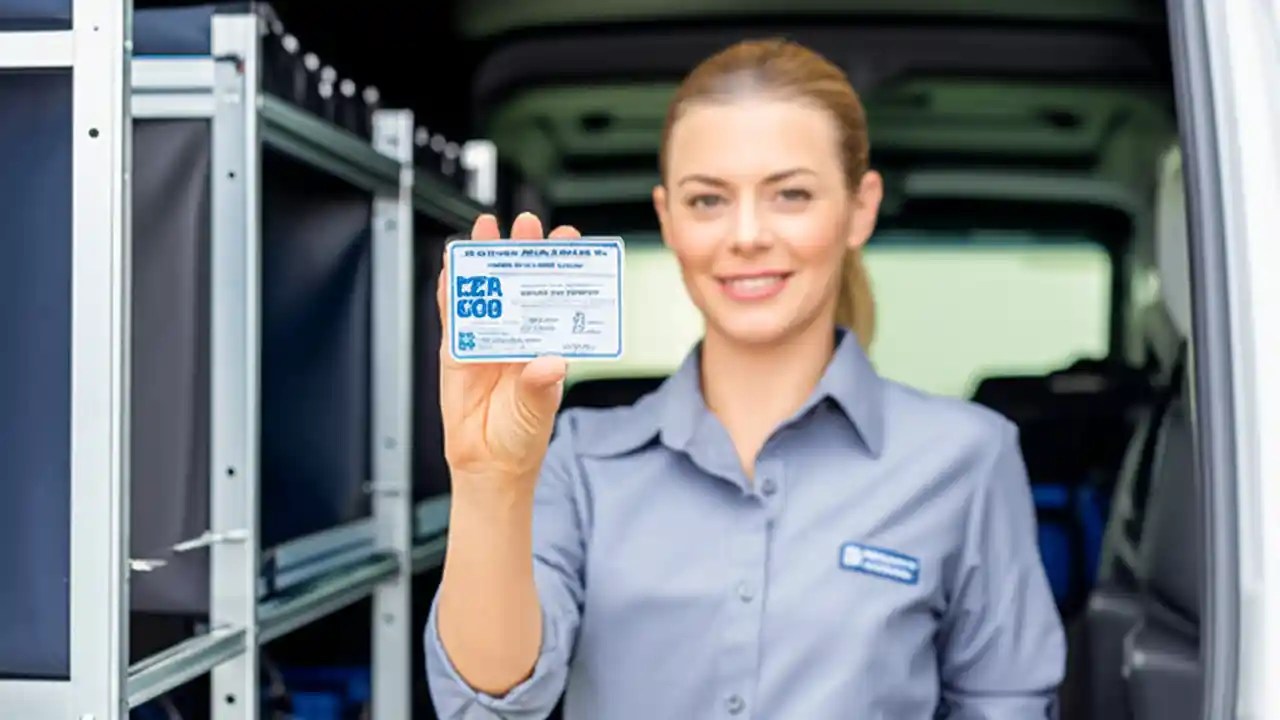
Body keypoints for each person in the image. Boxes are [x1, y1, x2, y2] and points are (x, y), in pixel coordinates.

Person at [424, 38, 1066, 719]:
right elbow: (487, 703)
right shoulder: (579, 460)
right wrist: (489, 482)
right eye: (708, 201)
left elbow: (1007, 707)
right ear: (668, 217)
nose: (748, 234)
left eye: (790, 194)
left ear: (860, 207)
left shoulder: (967, 459)